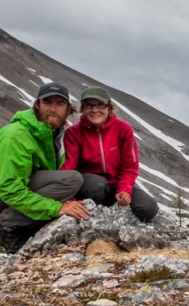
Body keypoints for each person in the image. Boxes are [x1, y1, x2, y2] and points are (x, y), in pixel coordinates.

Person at [0, 82, 90, 253]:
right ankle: (3, 226)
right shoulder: (15, 135)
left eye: (60, 103)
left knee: (77, 180)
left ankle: (22, 227)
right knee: (72, 180)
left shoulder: (56, 134)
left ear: (68, 108)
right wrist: (56, 208)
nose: (53, 109)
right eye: (48, 103)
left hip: (22, 186)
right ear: (37, 105)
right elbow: (10, 189)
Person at [62, 86, 159, 223]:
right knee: (96, 185)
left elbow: (130, 166)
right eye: (89, 105)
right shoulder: (74, 132)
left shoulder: (123, 129)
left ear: (109, 107)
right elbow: (69, 168)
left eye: (100, 104)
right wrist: (69, 200)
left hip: (116, 184)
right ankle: (93, 217)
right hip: (89, 186)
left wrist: (124, 190)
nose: (95, 110)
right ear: (83, 109)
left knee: (148, 208)